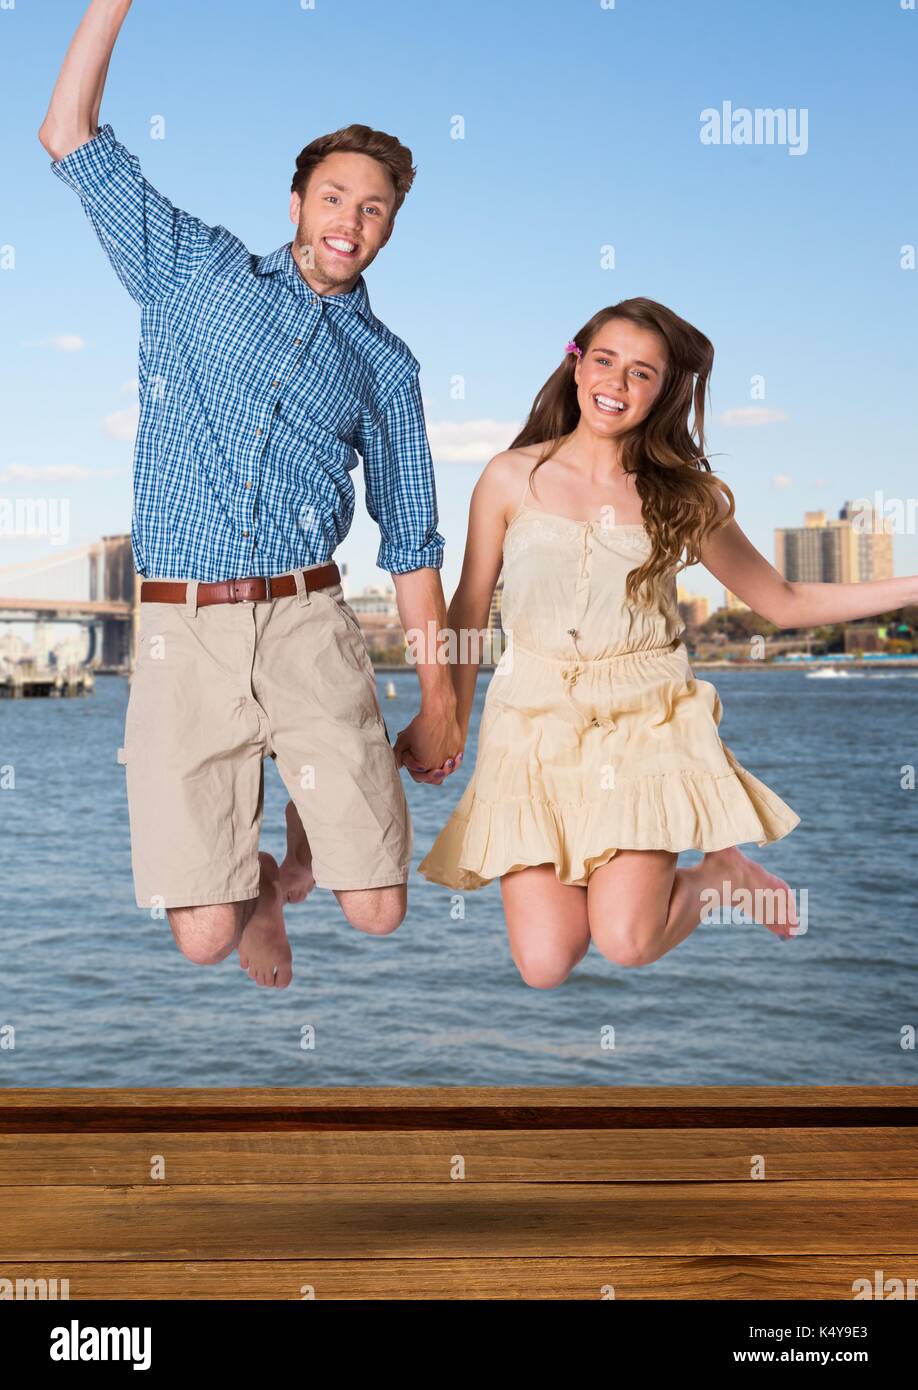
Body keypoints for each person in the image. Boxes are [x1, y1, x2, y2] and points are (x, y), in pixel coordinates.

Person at [39, 0, 461, 989]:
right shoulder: (194, 269)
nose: (349, 222)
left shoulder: (387, 367)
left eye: (373, 208)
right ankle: (265, 881)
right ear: (295, 202)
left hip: (312, 626)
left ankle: (308, 842)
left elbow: (413, 542)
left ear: (392, 226)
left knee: (380, 910)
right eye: (334, 197)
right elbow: (69, 134)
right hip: (185, 633)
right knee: (203, 939)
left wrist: (442, 698)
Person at [419, 297, 918, 987]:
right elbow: (470, 609)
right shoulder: (512, 475)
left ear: (664, 392)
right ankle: (715, 871)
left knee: (626, 941)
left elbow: (785, 601)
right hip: (529, 725)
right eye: (605, 361)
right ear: (575, 365)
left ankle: (720, 873)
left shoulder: (684, 496)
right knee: (544, 963)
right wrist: (444, 718)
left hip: (644, 724)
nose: (616, 384)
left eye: (641, 373)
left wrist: (911, 585)